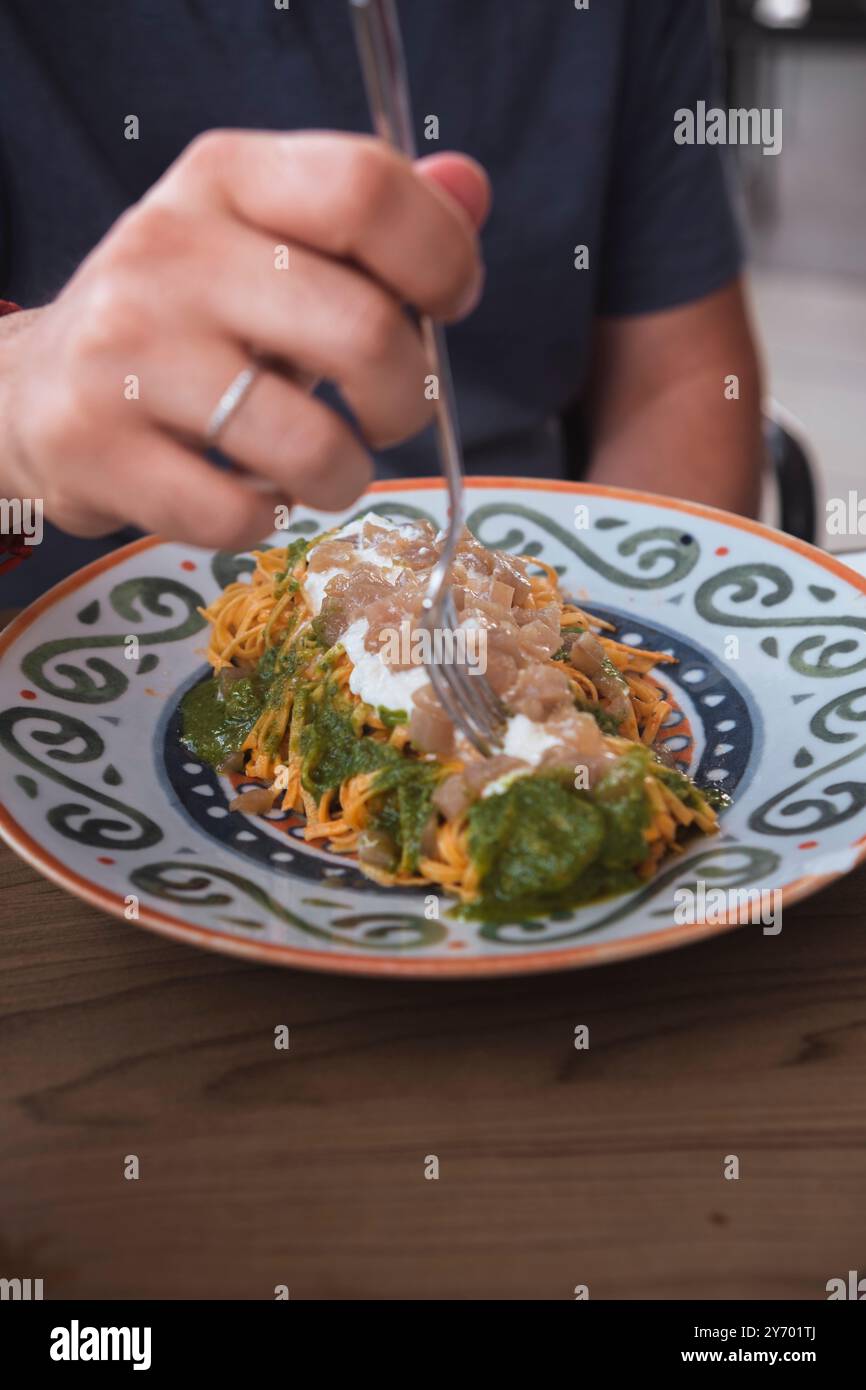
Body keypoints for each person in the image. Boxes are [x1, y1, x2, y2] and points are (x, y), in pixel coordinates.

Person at [0, 0, 763, 604]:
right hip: (57, 674)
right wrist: (19, 398)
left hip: (531, 563)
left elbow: (678, 381)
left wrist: (579, 650)